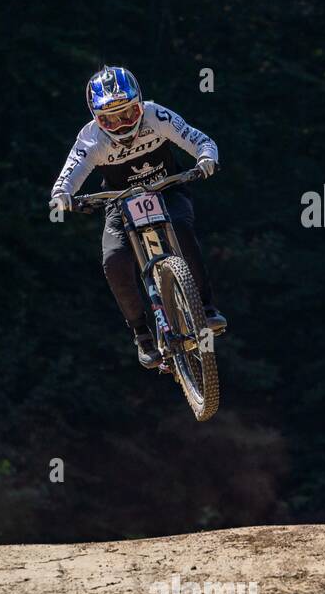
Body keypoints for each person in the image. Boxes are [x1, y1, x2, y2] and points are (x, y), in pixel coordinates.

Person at [49, 66, 225, 368]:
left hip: (167, 189)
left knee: (181, 227)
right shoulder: (91, 139)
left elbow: (200, 140)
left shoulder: (157, 116)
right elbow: (68, 176)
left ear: (140, 104)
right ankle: (142, 334)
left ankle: (206, 309)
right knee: (114, 260)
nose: (119, 125)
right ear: (96, 118)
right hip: (119, 202)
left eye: (128, 114)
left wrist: (207, 159)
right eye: (109, 119)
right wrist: (62, 195)